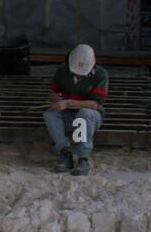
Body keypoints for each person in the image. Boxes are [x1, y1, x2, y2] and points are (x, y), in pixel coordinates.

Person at [44, 43, 108, 176]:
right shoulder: (62, 71)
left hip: (90, 117)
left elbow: (95, 104)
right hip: (69, 115)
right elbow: (53, 93)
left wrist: (68, 103)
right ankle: (65, 153)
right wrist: (53, 98)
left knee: (84, 113)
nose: (78, 75)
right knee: (50, 114)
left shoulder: (101, 75)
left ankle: (83, 158)